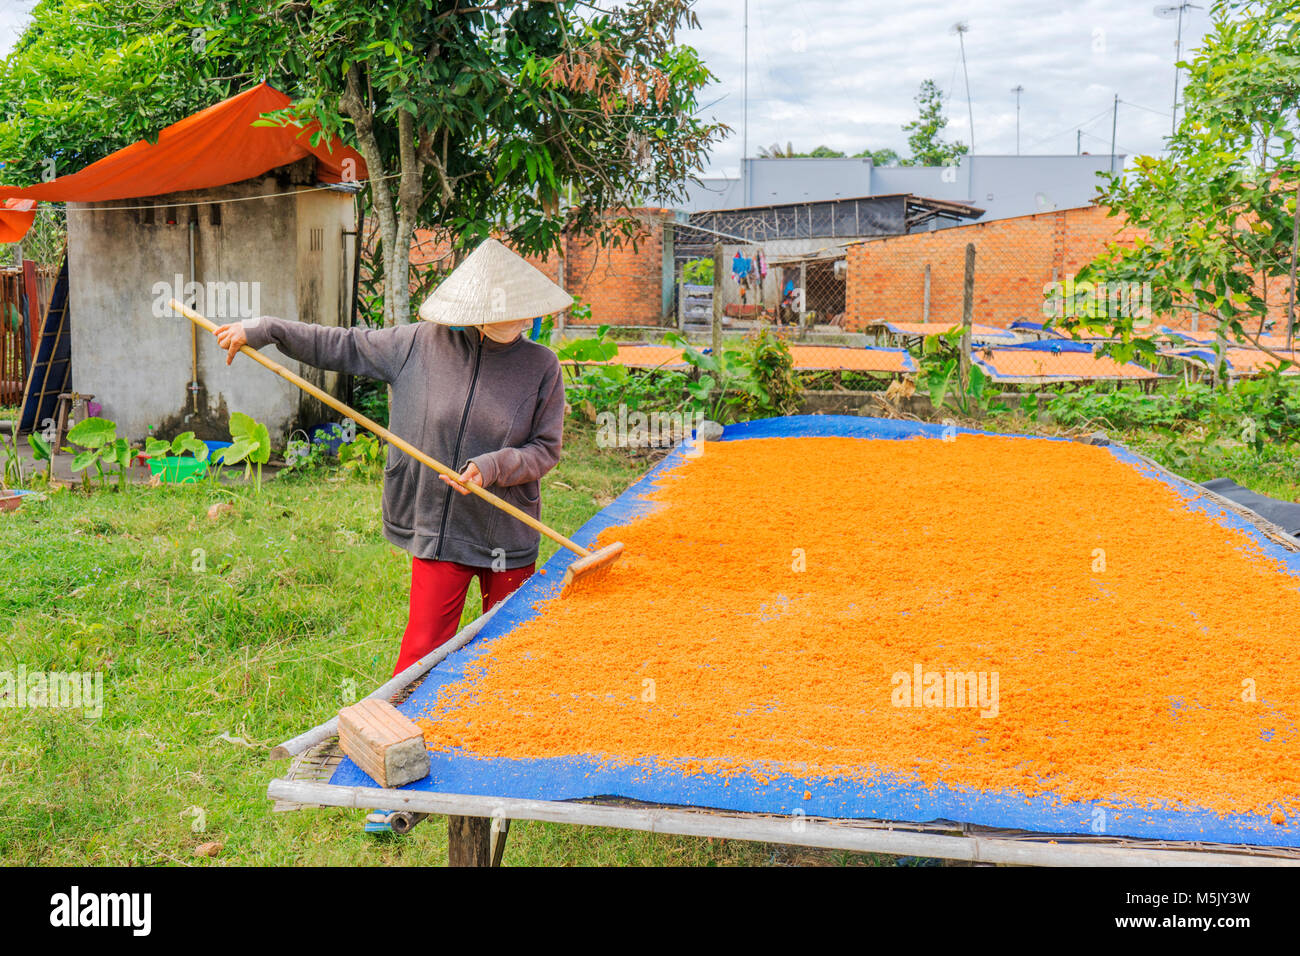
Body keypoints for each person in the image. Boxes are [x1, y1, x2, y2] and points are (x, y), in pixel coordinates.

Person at [214, 238, 571, 676]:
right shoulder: (417, 344)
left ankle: (500, 736)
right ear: (475, 312)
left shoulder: (542, 365)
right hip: (441, 529)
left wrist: (491, 467)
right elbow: (341, 345)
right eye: (506, 312)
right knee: (422, 652)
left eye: (524, 311)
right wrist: (266, 329)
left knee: (508, 653)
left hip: (508, 529)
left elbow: (545, 449)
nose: (520, 320)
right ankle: (405, 733)